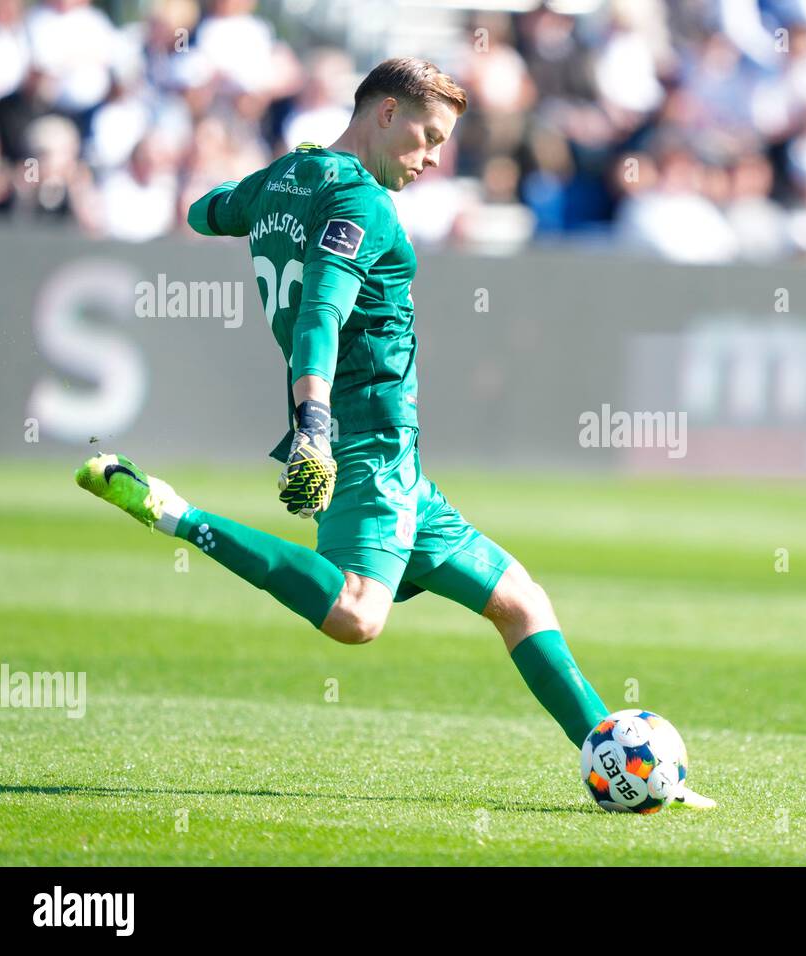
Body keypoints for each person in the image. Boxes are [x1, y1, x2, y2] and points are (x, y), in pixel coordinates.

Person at [76, 56, 714, 809]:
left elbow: (204, 211)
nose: (436, 157)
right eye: (427, 135)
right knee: (356, 617)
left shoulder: (290, 177)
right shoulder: (363, 203)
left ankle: (621, 766)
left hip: (397, 464)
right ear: (384, 113)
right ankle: (179, 514)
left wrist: (259, 193)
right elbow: (321, 315)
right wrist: (313, 425)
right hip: (366, 446)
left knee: (521, 603)